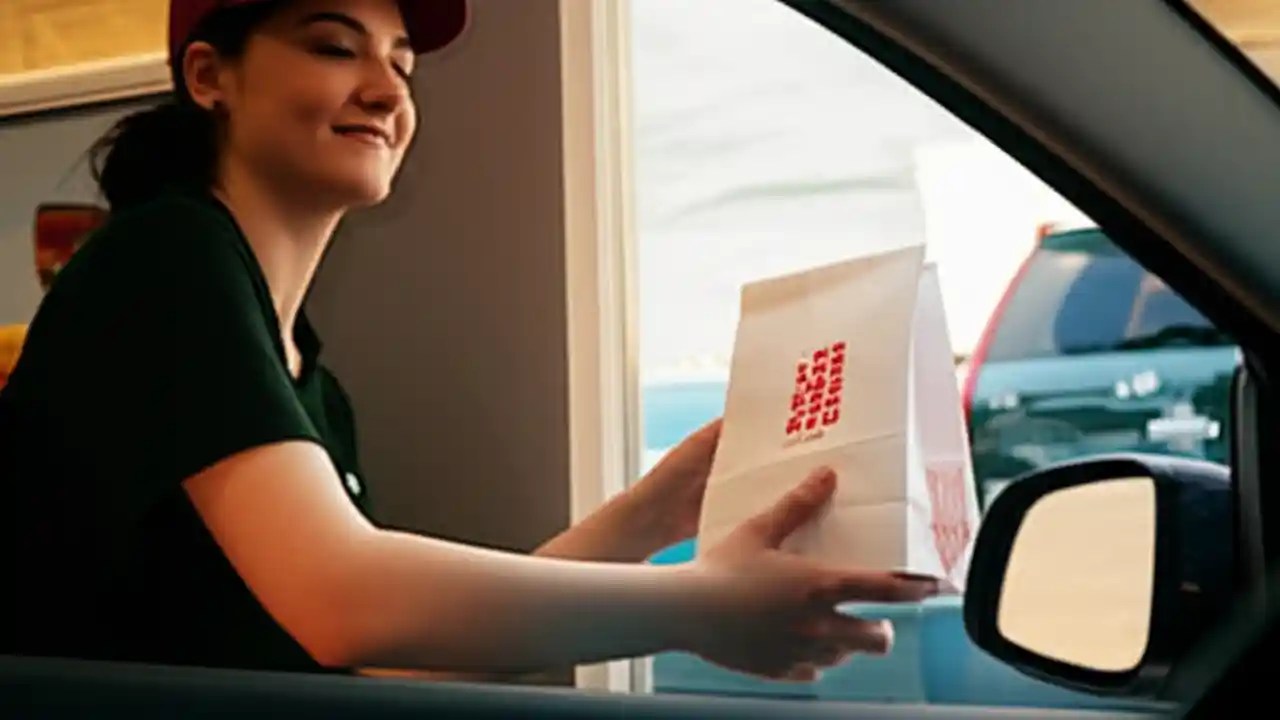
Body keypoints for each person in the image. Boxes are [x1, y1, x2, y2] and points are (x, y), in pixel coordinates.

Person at [0, 0, 937, 682]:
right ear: (210, 77)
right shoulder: (163, 259)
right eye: (335, 47)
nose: (384, 90)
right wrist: (700, 606)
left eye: (403, 66)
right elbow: (347, 604)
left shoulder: (309, 383)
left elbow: (391, 659)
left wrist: (653, 516)